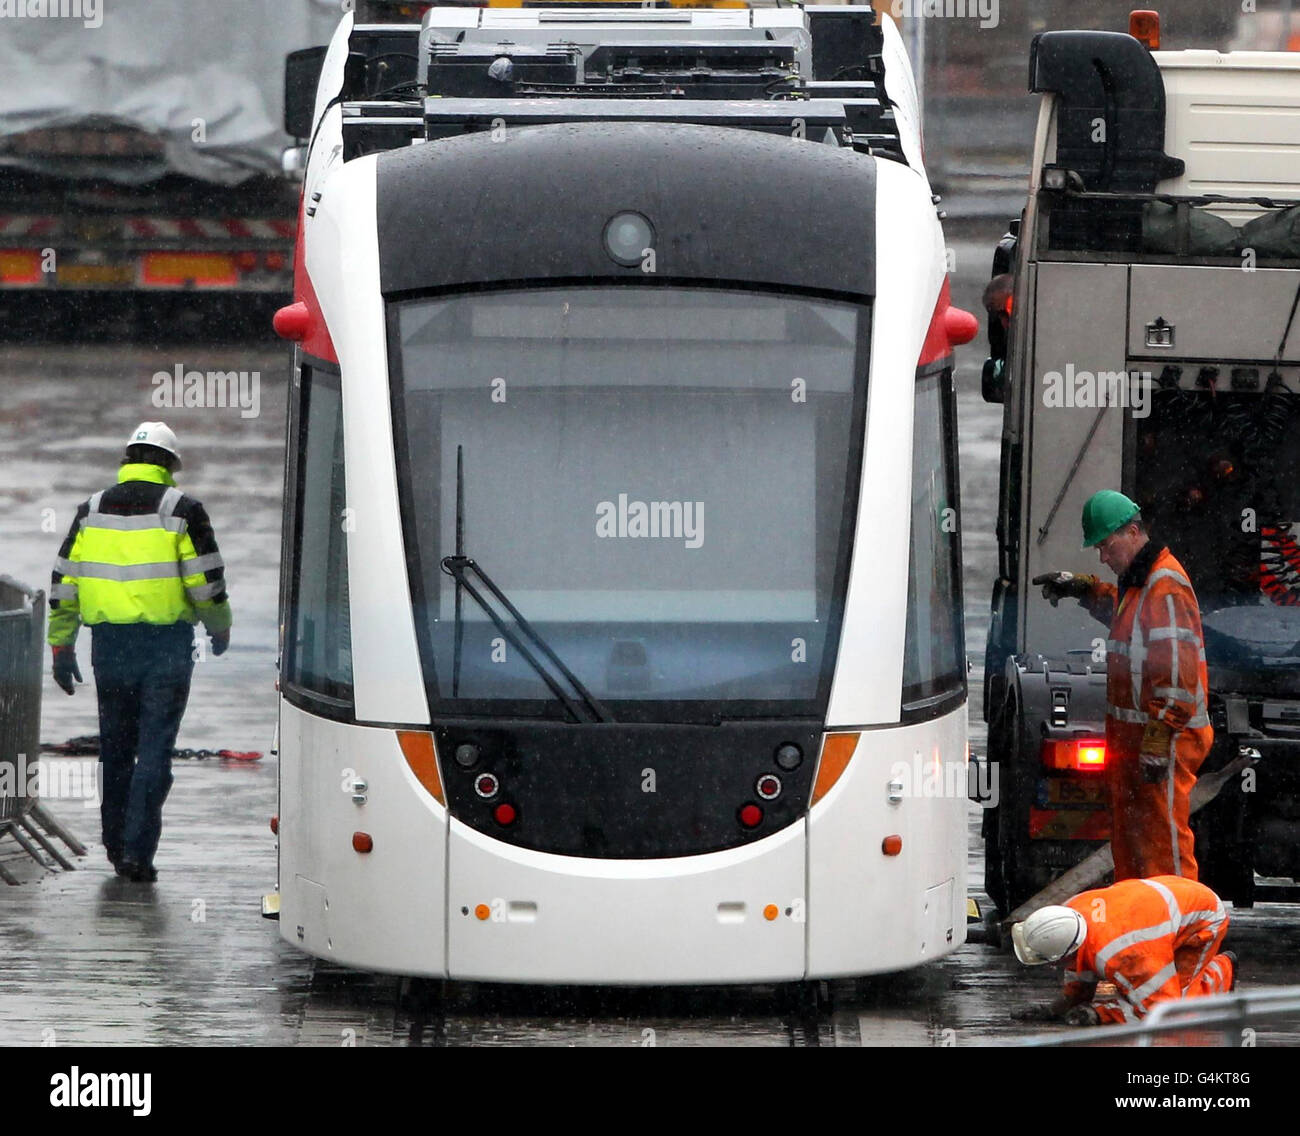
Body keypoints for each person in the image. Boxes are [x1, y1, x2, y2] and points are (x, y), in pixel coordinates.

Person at [47, 422, 232, 882]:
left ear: (128, 458)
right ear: (170, 464)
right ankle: (137, 853)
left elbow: (65, 582)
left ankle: (115, 846)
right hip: (165, 646)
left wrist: (61, 644)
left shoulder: (90, 510)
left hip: (108, 646)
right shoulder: (183, 510)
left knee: (115, 748)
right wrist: (219, 627)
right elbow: (205, 582)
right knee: (154, 751)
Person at [1033, 490, 1212, 880]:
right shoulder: (1141, 583)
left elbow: (1178, 678)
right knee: (1135, 848)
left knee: (1164, 848)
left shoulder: (1165, 587)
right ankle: (1142, 932)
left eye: (1106, 545)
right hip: (1136, 745)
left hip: (1161, 743)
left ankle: (1182, 933)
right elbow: (1127, 622)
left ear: (1133, 532)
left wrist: (1158, 737)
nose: (1102, 556)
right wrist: (1084, 589)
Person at [1011, 876, 1235, 1026]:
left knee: (1180, 1011)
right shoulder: (1068, 912)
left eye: (1053, 963)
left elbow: (1160, 1012)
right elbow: (1080, 962)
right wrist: (1059, 1007)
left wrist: (1100, 1013)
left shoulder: (1126, 956)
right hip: (1168, 898)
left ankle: (1223, 971)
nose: (1053, 968)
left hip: (1203, 917)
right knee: (1149, 984)